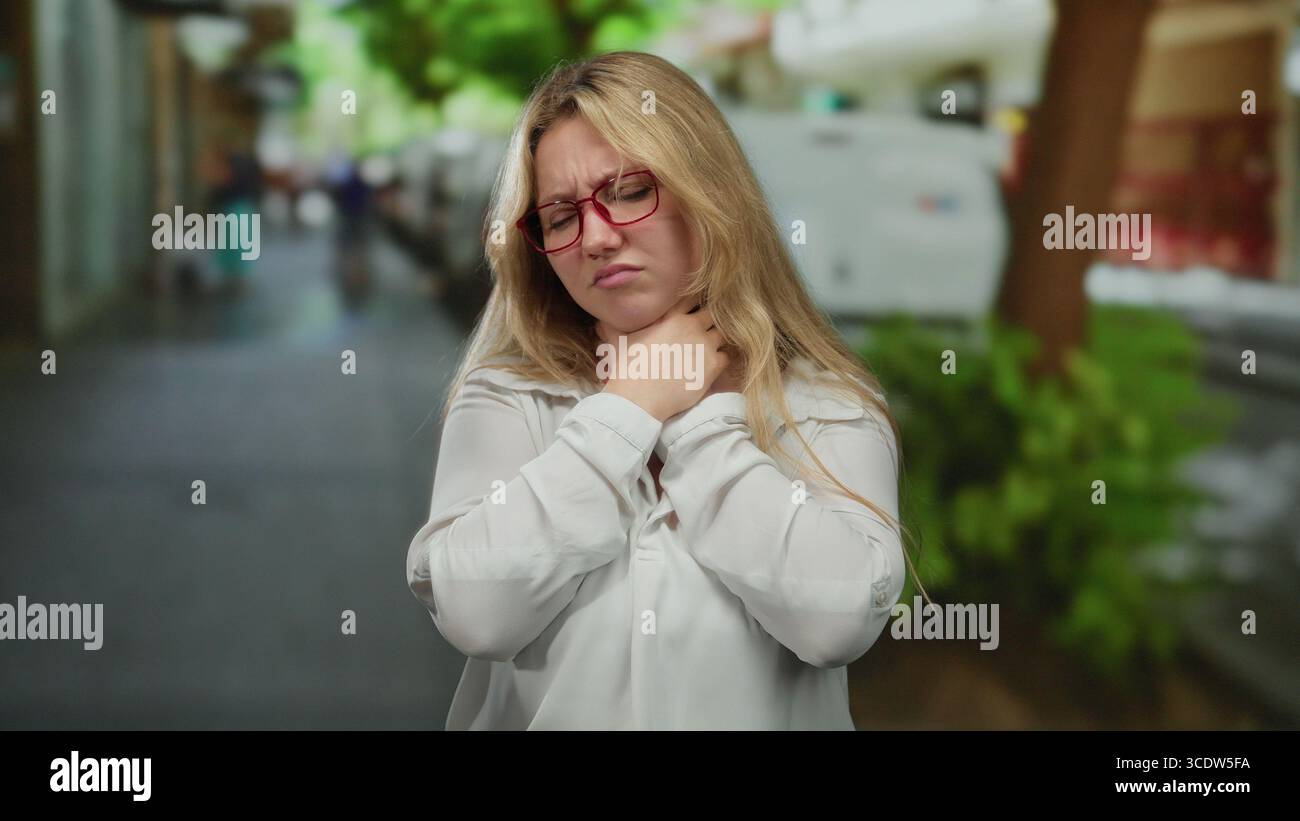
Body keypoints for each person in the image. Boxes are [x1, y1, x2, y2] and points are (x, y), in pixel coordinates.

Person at [405, 51, 919, 730]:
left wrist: (699, 424)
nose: (594, 237)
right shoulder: (508, 395)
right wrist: (627, 411)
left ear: (709, 191)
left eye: (626, 190)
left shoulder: (828, 404)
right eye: (560, 217)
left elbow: (837, 621)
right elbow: (476, 611)